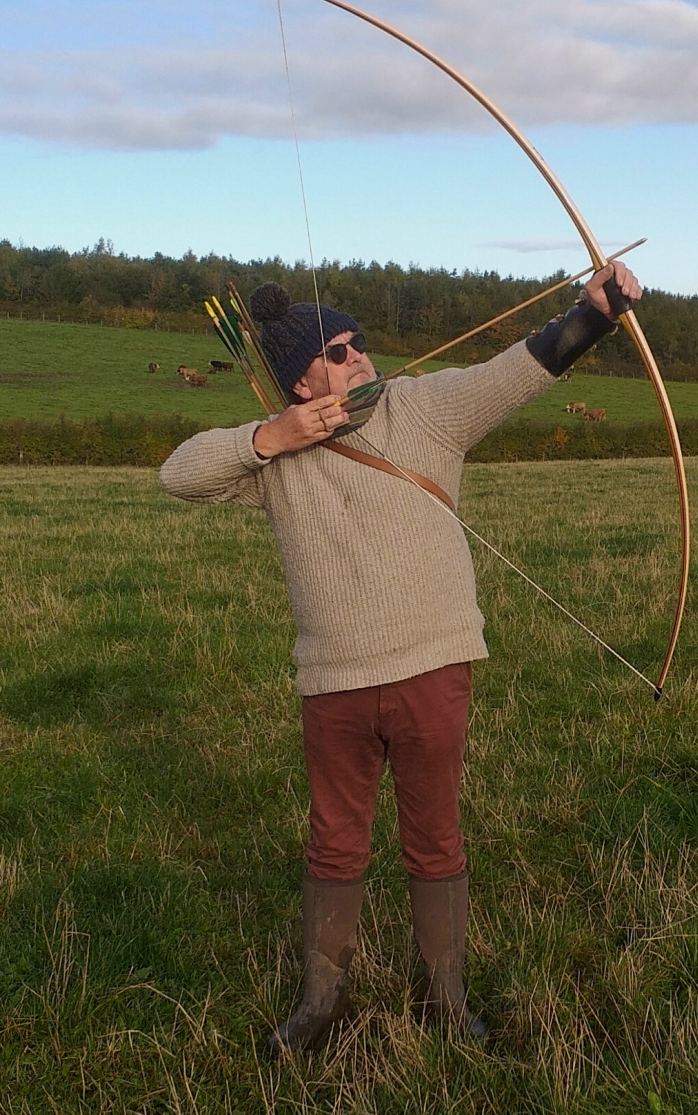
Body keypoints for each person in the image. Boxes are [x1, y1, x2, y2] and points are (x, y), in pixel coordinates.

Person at [159, 261, 641, 1055]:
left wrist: (591, 314)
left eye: (357, 343)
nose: (360, 358)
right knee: (334, 841)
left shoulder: (422, 409)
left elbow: (520, 368)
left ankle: (446, 999)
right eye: (338, 351)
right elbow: (177, 474)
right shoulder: (270, 457)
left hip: (432, 666)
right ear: (297, 378)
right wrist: (269, 438)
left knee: (435, 836)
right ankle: (320, 1002)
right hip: (334, 678)